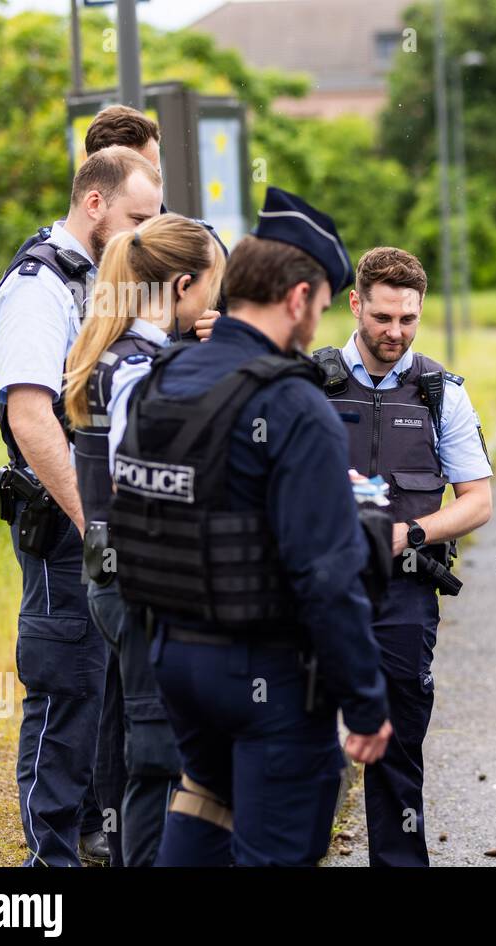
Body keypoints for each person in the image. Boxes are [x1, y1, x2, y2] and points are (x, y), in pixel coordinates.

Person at [107, 188, 392, 866]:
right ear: (297, 298)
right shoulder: (293, 403)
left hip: (173, 659)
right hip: (266, 675)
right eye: (322, 306)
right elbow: (324, 575)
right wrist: (366, 699)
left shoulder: (162, 377)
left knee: (204, 799)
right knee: (277, 846)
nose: (318, 323)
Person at [0, 146, 164, 867]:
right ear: (95, 204)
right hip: (65, 525)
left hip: (104, 524)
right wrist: (94, 523)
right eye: (136, 219)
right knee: (67, 690)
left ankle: (96, 840)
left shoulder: (104, 278)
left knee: (110, 694)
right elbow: (32, 416)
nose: (145, 235)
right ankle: (47, 869)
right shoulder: (41, 286)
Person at [313, 246, 493, 866]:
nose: (395, 333)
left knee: (397, 748)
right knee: (298, 744)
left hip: (403, 596)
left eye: (408, 320)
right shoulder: (309, 381)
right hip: (316, 591)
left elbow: (477, 501)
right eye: (383, 317)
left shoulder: (441, 393)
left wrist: (411, 533)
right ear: (356, 304)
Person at [64, 214, 225, 865]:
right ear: (182, 283)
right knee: (158, 761)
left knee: (152, 750)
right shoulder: (139, 369)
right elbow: (150, 484)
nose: (213, 302)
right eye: (211, 287)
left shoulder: (119, 353)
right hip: (140, 582)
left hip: (113, 575)